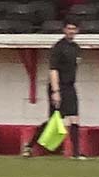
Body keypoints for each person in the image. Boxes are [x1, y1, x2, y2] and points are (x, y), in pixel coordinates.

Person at [23, 21, 85, 159]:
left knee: (74, 118)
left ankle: (75, 152)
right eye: (69, 28)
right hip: (58, 86)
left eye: (74, 29)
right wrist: (56, 91)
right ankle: (29, 146)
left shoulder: (76, 48)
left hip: (70, 86)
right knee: (53, 120)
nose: (71, 31)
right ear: (64, 30)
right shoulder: (58, 47)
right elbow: (53, 70)